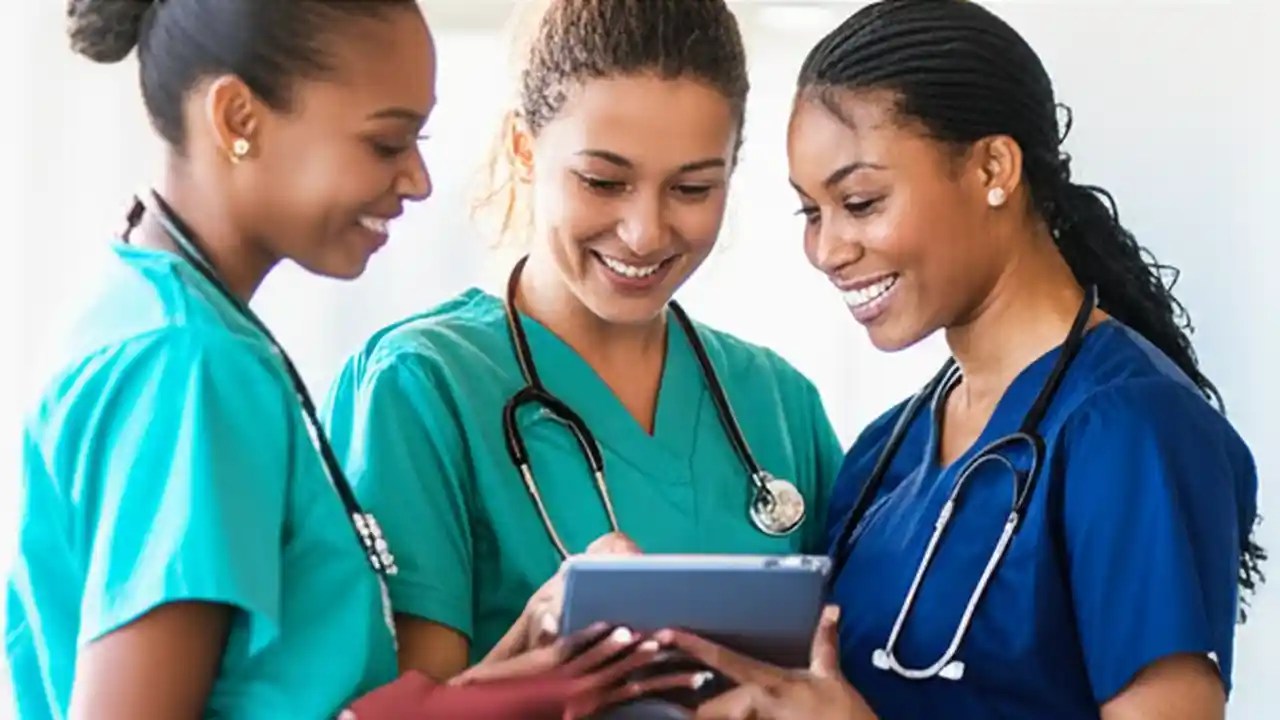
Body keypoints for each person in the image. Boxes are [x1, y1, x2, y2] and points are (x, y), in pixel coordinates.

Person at [6, 1, 688, 717]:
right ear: (239, 118)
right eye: (386, 143)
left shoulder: (149, 308)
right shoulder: (190, 366)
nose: (419, 180)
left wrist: (507, 671)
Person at [654, 1, 1265, 718]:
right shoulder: (887, 452)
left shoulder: (1130, 428)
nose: (827, 250)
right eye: (811, 213)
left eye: (860, 200)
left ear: (992, 168)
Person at [323, 0, 844, 683]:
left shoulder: (776, 402)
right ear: (522, 149)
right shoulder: (422, 386)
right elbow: (405, 705)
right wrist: (543, 641)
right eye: (603, 181)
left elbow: (840, 668)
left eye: (692, 187)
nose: (645, 232)